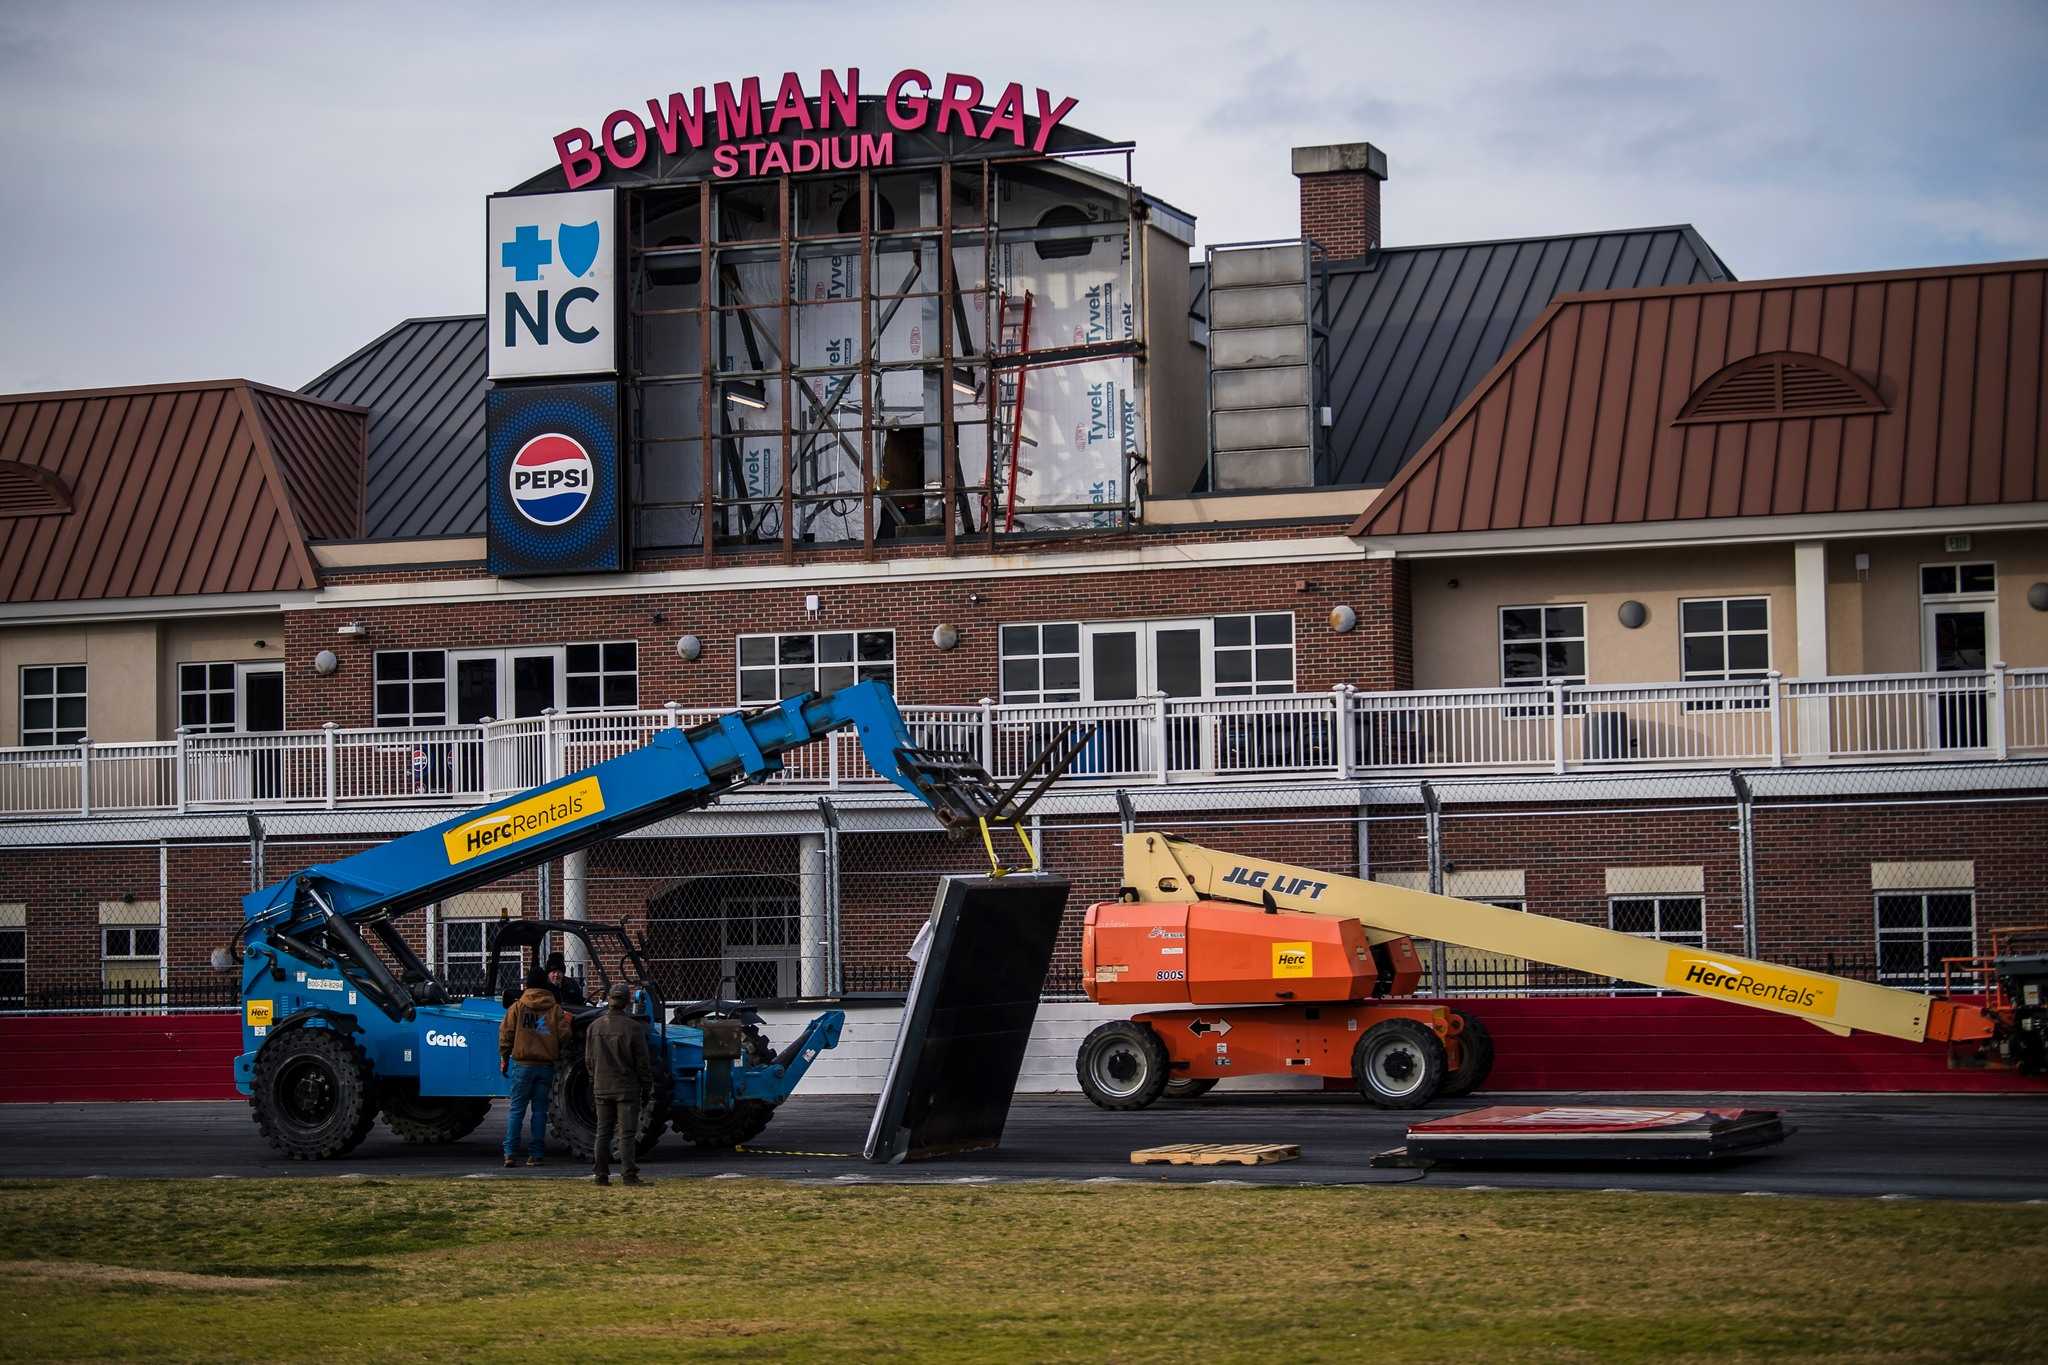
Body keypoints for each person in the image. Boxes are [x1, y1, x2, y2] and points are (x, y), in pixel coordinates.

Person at [498, 965, 572, 1168]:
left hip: (522, 1064)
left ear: (528, 985)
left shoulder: (518, 1007)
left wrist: (504, 1057)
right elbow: (565, 1036)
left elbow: (506, 1035)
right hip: (546, 1065)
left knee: (516, 1110)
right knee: (539, 1111)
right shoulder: (555, 1008)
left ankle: (510, 1153)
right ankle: (536, 1154)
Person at [583, 981, 655, 1186]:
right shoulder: (633, 1028)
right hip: (626, 1087)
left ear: (609, 1000)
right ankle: (628, 1174)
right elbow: (642, 1062)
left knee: (603, 1131)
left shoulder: (593, 1027)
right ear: (626, 1002)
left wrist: (594, 1079)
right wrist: (647, 1086)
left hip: (601, 1086)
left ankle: (601, 1174)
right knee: (626, 1133)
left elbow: (588, 1060)